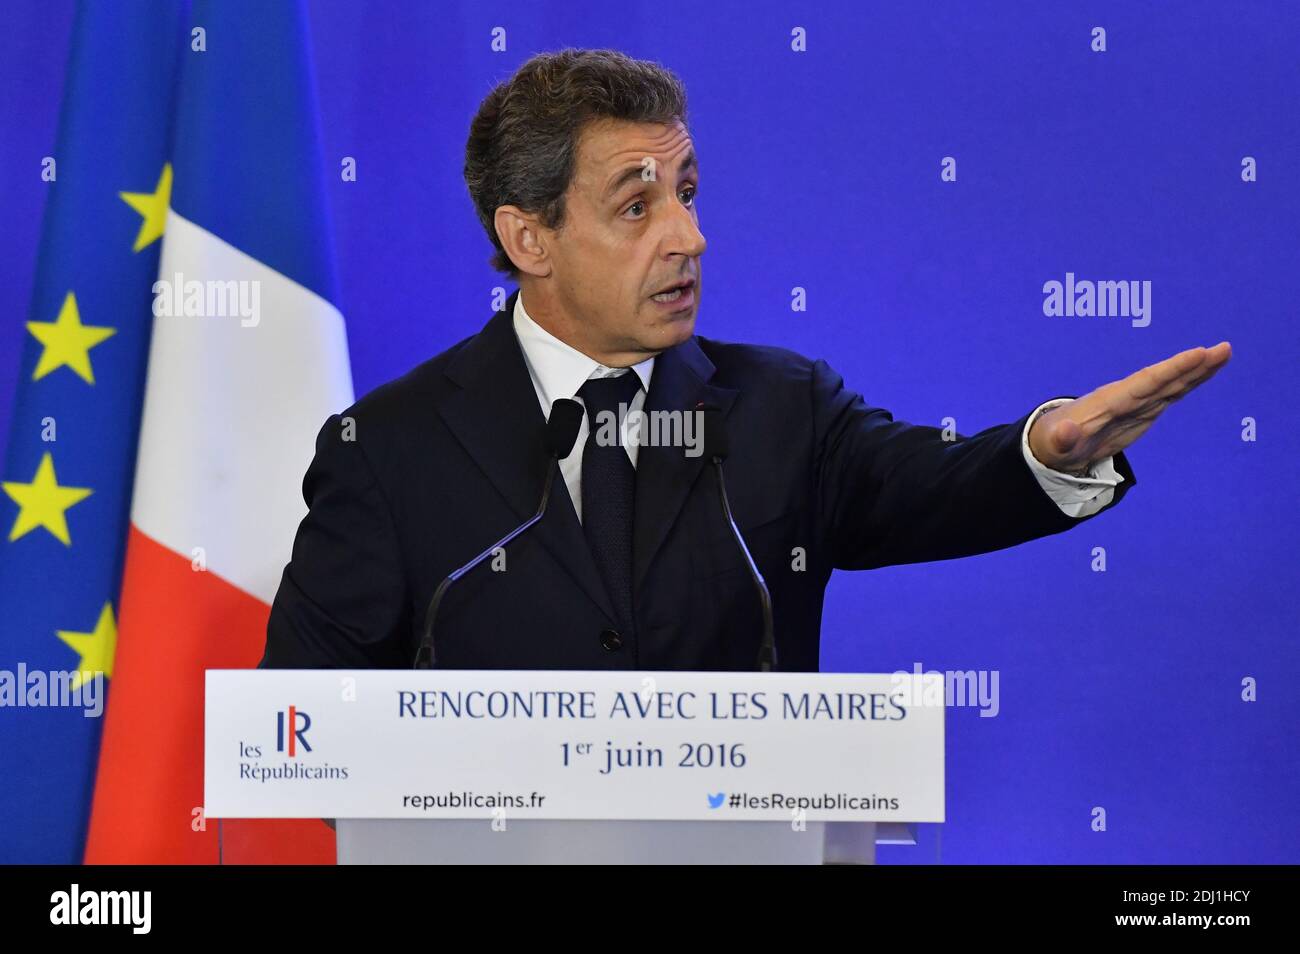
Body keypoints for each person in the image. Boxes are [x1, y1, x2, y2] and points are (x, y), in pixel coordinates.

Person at [260, 49, 1230, 672]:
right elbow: (301, 725)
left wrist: (1044, 452)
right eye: (638, 206)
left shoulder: (781, 409)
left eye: (688, 192)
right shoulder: (388, 449)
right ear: (530, 240)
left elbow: (936, 488)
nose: (689, 236)